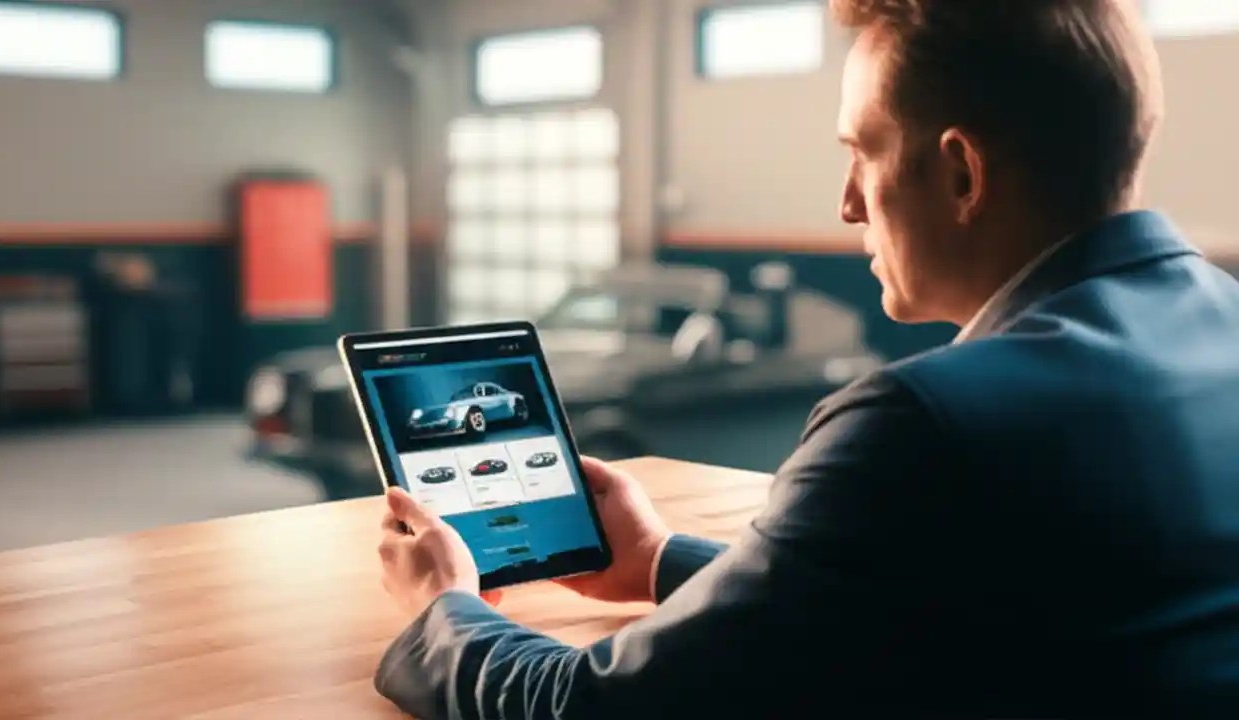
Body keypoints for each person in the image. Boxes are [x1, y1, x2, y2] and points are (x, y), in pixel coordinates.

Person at [372, 1, 1239, 717]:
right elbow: (941, 616)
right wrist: (660, 560)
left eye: (860, 151)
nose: (848, 203)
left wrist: (441, 608)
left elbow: (592, 708)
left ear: (962, 175)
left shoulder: (925, 424)